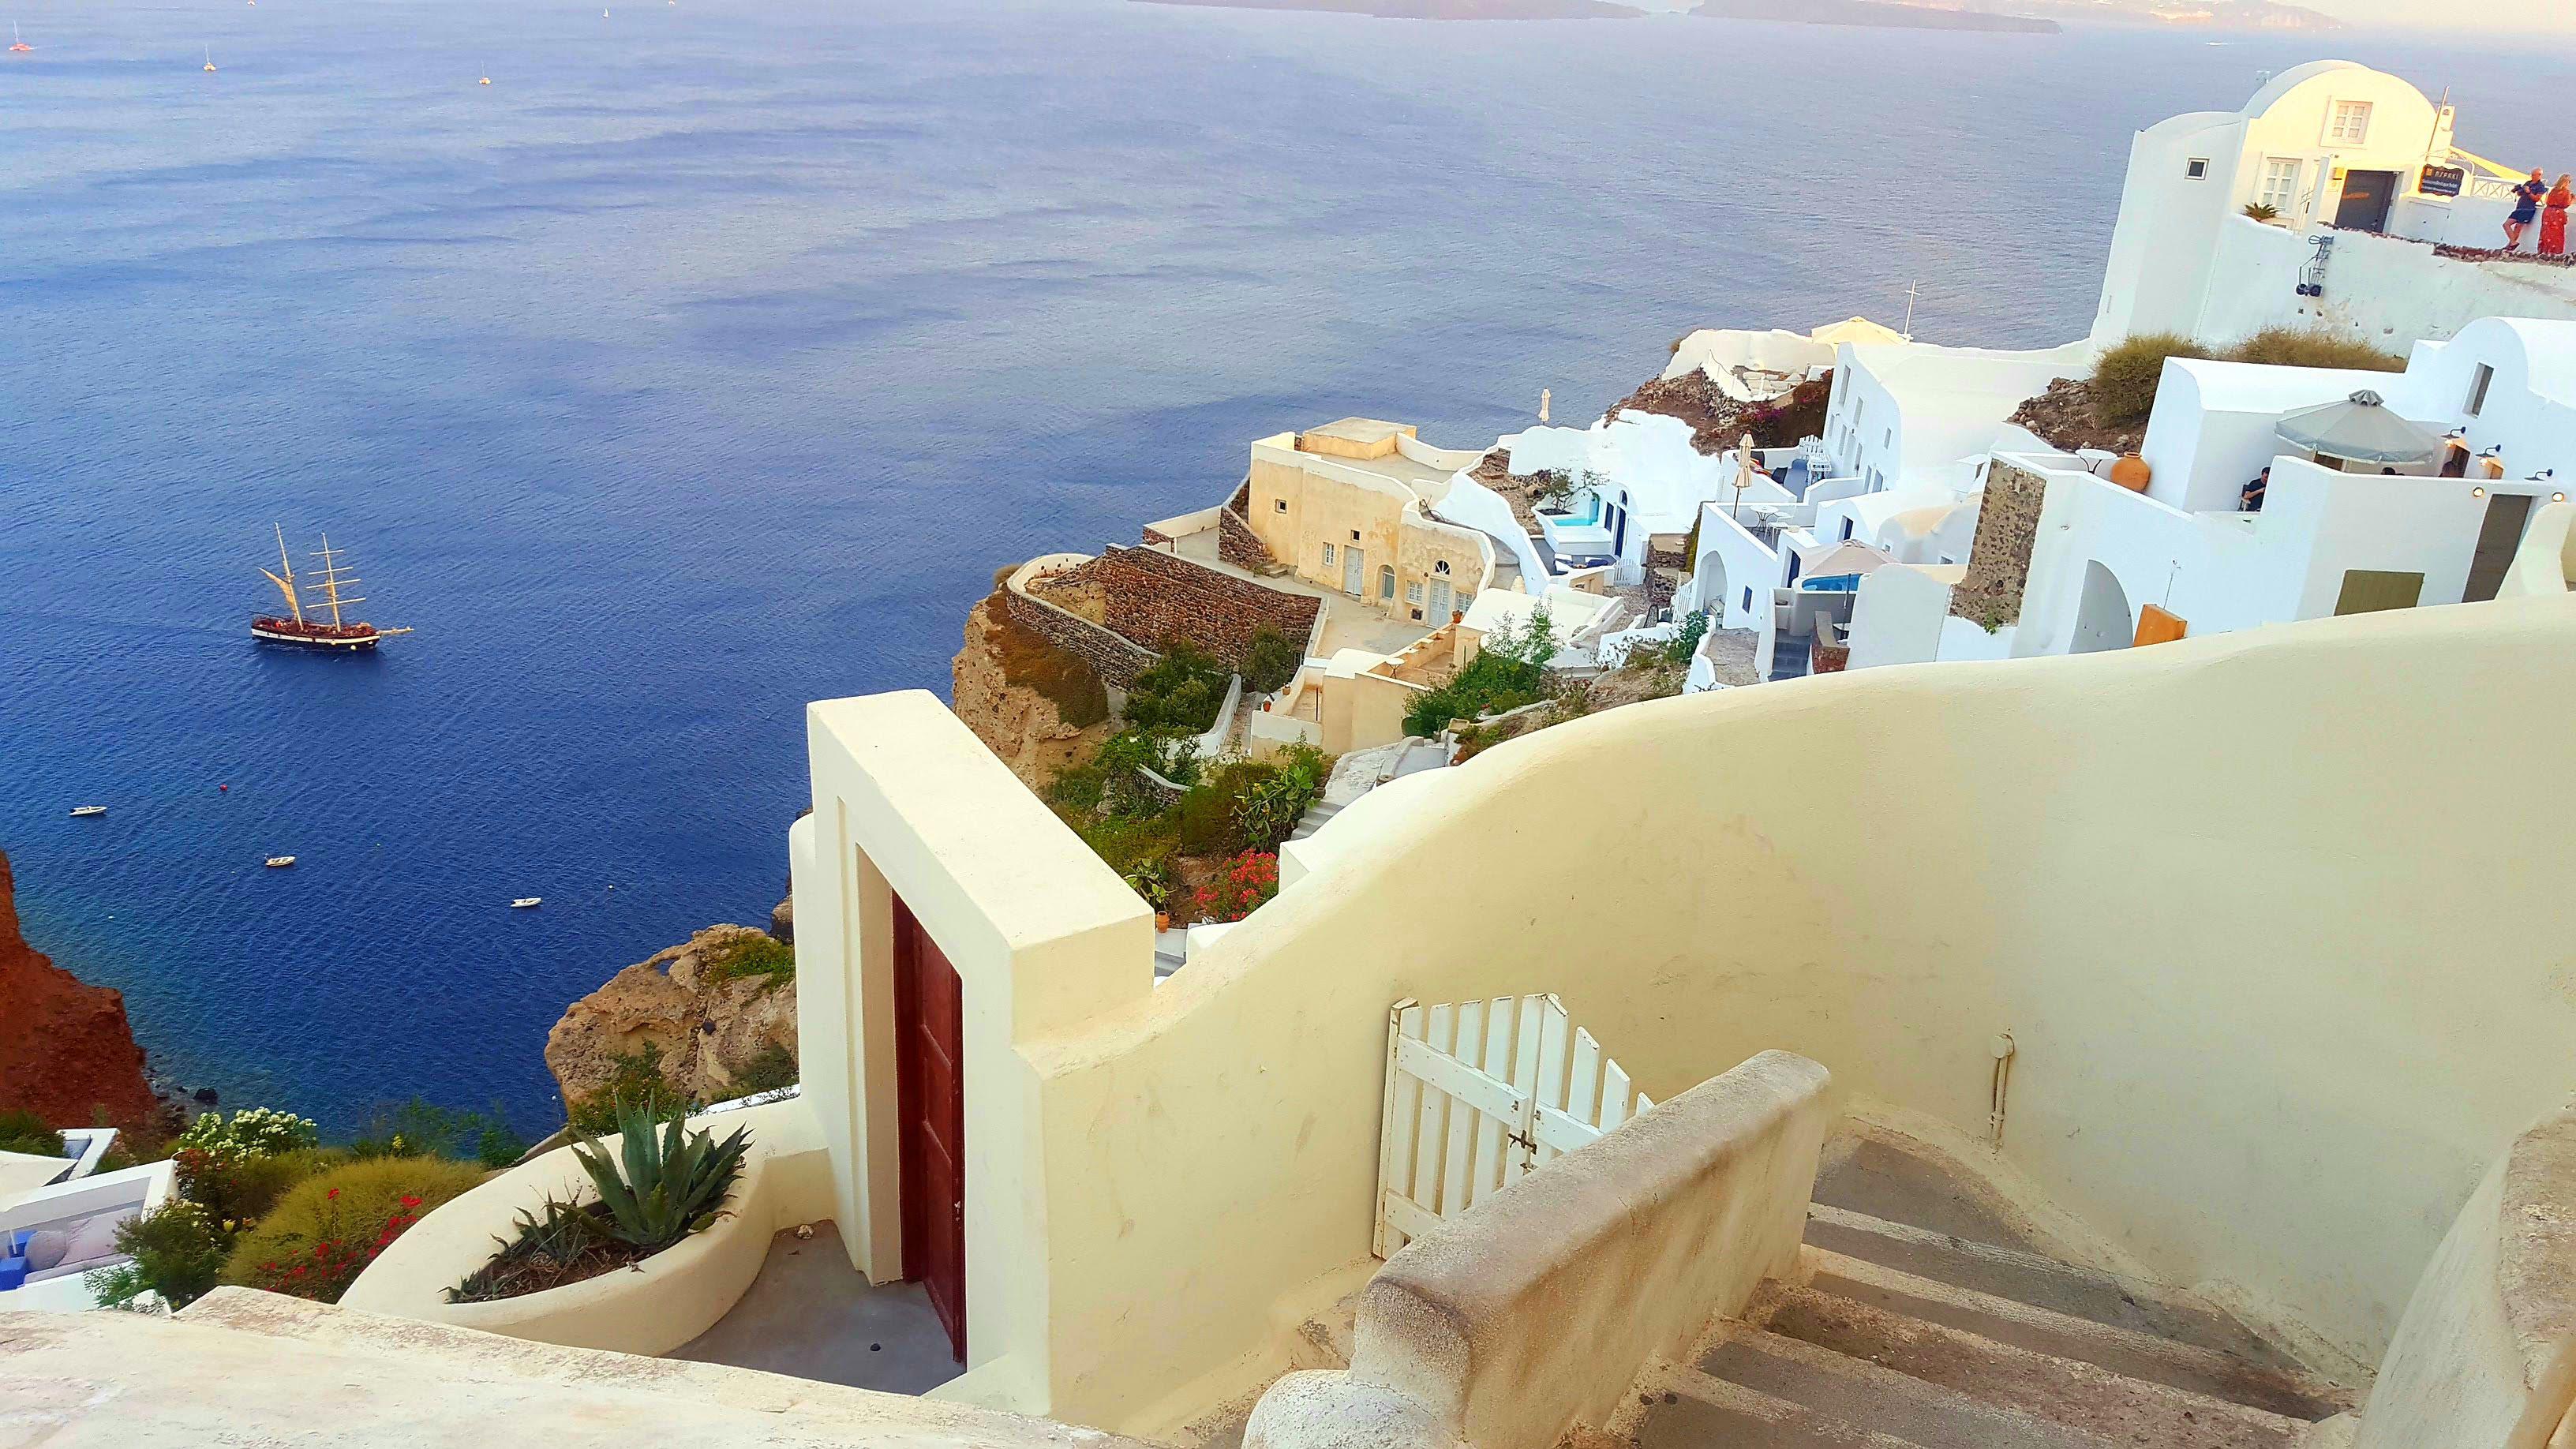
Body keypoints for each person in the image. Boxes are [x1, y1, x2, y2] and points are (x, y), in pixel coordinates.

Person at [2507, 169, 2548, 252]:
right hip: (2520, 207)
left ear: (2539, 175)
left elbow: (2537, 199)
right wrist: (2518, 190)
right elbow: (2519, 194)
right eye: (2532, 175)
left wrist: (2529, 192)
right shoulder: (2528, 183)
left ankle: (2510, 245)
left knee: (2518, 227)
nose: (2532, 176)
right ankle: (2513, 242)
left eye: (2534, 175)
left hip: (2528, 209)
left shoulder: (2540, 186)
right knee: (2506, 225)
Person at [2543, 174, 2574, 260]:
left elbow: (2548, 201)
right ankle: (2555, 252)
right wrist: (2572, 199)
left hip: (2548, 212)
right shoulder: (2566, 192)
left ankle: (2545, 251)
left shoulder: (2553, 190)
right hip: (2557, 214)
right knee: (2557, 234)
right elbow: (2566, 204)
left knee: (2546, 232)